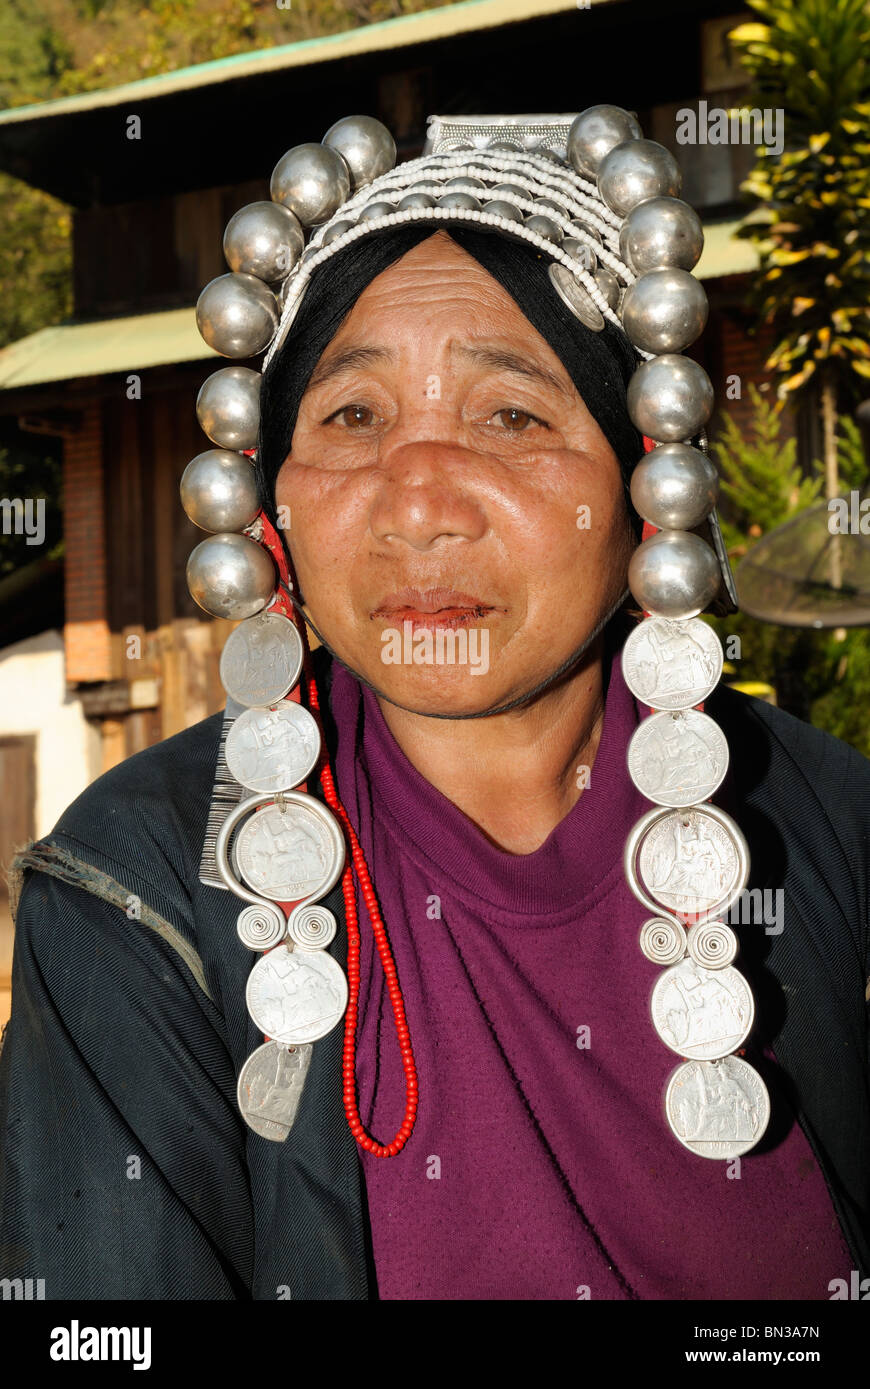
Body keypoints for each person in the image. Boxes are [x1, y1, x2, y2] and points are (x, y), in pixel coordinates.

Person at [1, 109, 868, 1301]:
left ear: (641, 478)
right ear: (275, 499)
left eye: (510, 415)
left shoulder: (833, 834)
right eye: (352, 418)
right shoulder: (138, 890)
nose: (419, 504)